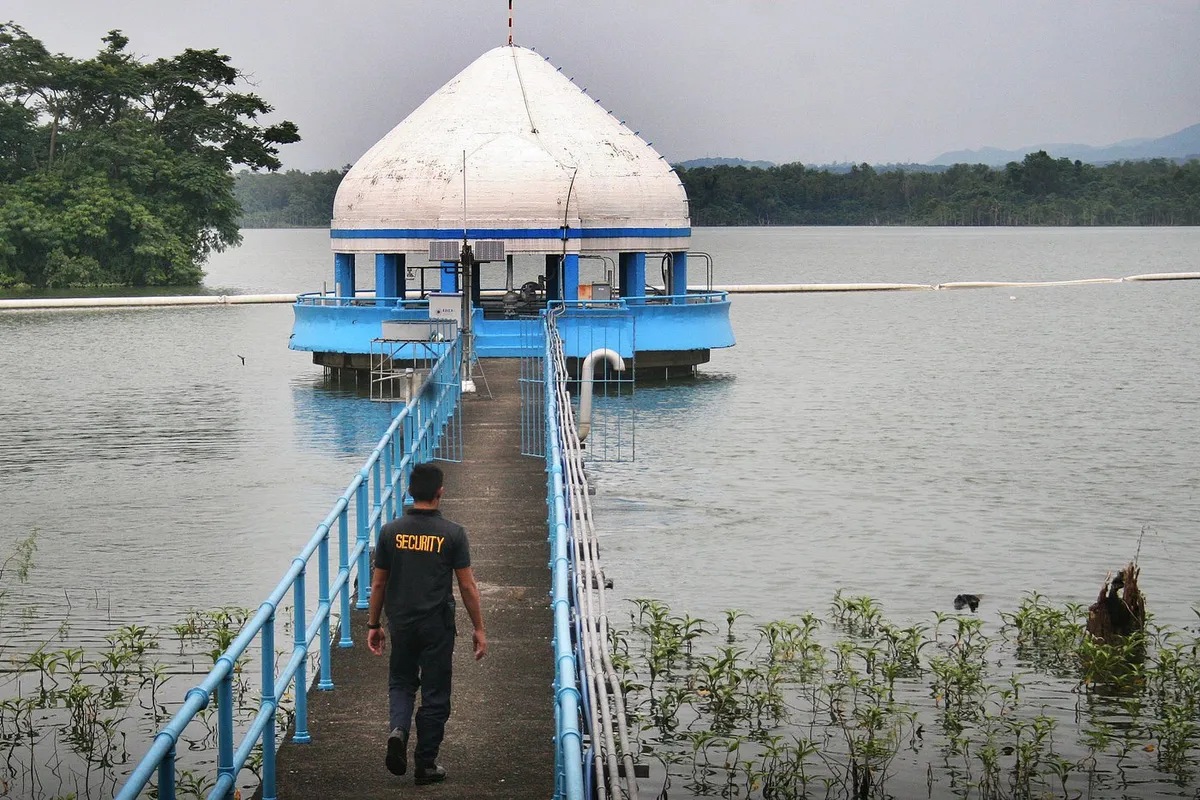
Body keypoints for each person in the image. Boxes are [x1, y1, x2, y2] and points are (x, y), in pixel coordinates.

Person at [367, 462, 487, 785]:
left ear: (409, 491)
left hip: (401, 623)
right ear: (440, 493)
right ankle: (425, 763)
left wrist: (373, 624)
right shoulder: (453, 534)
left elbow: (378, 584)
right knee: (435, 693)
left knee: (401, 682)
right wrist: (478, 628)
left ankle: (398, 730)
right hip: (437, 626)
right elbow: (466, 586)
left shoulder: (390, 532)